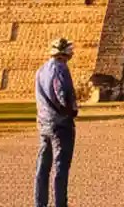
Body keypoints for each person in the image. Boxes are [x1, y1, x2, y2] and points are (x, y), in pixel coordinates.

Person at [34, 37, 78, 207]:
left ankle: (40, 203)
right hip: (60, 124)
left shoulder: (41, 70)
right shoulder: (61, 69)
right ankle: (60, 203)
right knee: (60, 167)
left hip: (43, 123)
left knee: (43, 167)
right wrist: (70, 109)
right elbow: (61, 93)